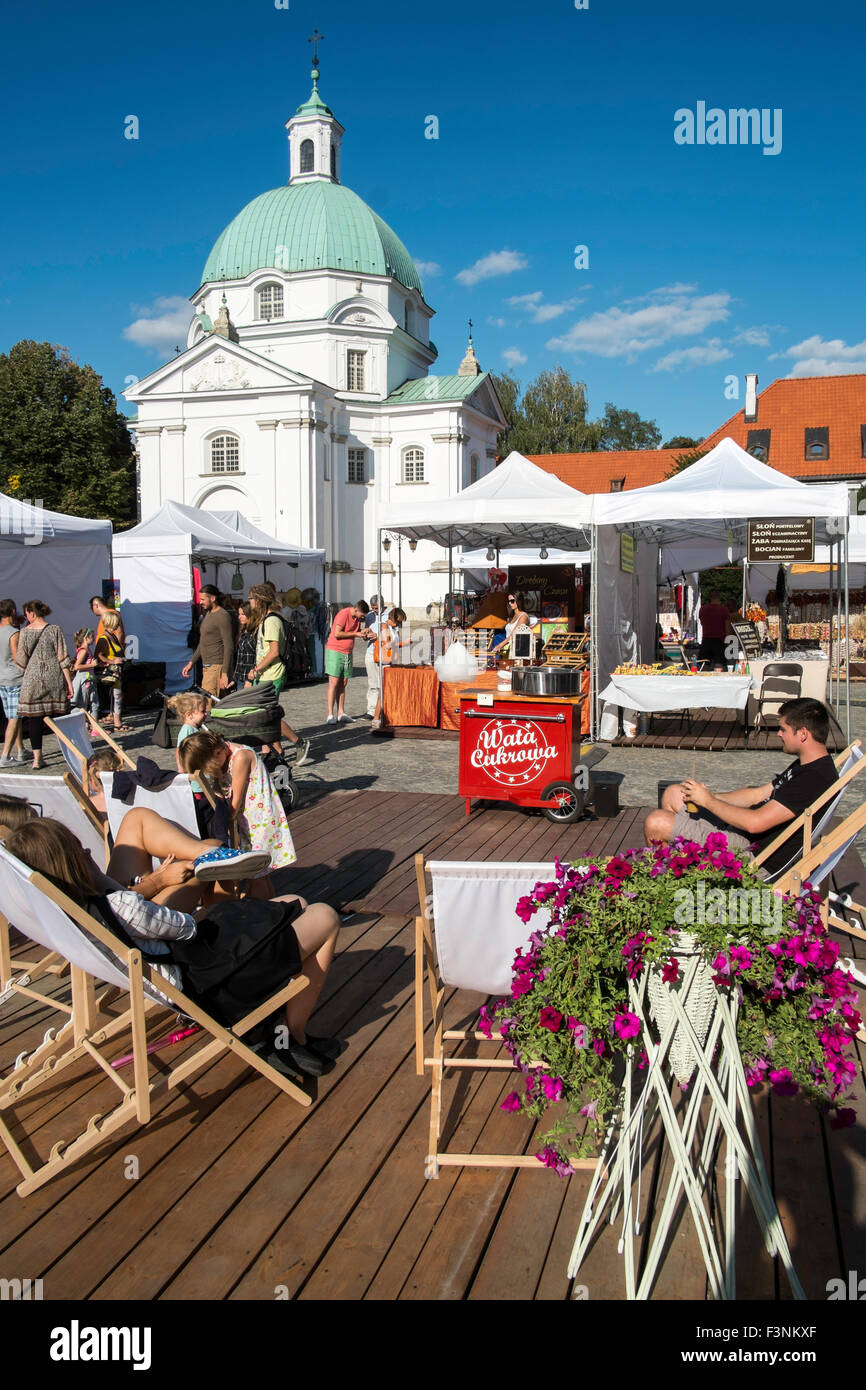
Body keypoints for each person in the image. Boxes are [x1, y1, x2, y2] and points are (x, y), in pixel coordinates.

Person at [5, 817, 341, 1078]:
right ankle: (292, 1035)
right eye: (81, 850)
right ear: (73, 862)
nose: (89, 852)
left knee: (294, 901)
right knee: (325, 916)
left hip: (196, 968)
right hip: (211, 983)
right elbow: (185, 926)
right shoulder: (121, 906)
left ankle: (281, 1022)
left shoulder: (73, 909)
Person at [644, 698, 839, 878]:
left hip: (753, 855)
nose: (778, 734)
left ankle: (664, 885)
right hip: (743, 835)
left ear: (803, 734)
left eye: (783, 729)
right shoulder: (807, 766)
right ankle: (676, 871)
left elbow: (755, 823)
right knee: (673, 793)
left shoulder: (812, 779)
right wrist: (707, 796)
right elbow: (757, 794)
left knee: (656, 823)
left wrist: (708, 802)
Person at [179, 730, 297, 894]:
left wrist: (224, 824)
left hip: (259, 821)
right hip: (249, 821)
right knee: (259, 874)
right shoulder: (224, 756)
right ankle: (271, 907)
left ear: (217, 752)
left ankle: (261, 913)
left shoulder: (241, 757)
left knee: (254, 874)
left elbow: (235, 801)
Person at [246, 585, 311, 766]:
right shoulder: (264, 620)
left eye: (251, 598)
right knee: (263, 715)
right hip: (264, 674)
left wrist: (256, 670)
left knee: (269, 716)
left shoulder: (271, 621)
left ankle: (298, 742)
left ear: (258, 600)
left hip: (271, 674)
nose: (249, 601)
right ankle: (270, 750)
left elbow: (274, 652)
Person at [16, 600, 74, 771]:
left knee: (35, 719)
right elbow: (63, 659)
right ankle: (71, 752)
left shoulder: (24, 633)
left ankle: (37, 758)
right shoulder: (54, 630)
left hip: (33, 681)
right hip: (53, 678)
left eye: (26, 613)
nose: (26, 617)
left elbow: (20, 662)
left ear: (31, 613)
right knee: (59, 717)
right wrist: (69, 683)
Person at [181, 585, 235, 698]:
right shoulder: (209, 614)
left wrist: (224, 673)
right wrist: (191, 662)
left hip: (217, 667)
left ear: (213, 598)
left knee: (209, 704)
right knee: (212, 705)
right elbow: (203, 641)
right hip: (208, 667)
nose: (200, 602)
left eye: (202, 599)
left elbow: (229, 646)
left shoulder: (222, 616)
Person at [325, 599, 369, 723]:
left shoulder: (357, 618)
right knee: (334, 682)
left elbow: (355, 632)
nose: (362, 617)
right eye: (362, 615)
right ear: (356, 609)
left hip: (347, 653)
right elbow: (337, 633)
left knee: (343, 683)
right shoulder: (343, 614)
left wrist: (363, 633)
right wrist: (356, 634)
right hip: (335, 651)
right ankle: (330, 714)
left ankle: (341, 712)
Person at [370, 608, 409, 730]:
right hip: (384, 662)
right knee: (383, 691)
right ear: (393, 619)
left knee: (387, 691)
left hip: (391, 662)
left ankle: (384, 716)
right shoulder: (384, 627)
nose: (399, 625)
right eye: (398, 622)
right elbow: (386, 645)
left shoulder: (393, 629)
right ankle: (376, 718)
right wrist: (403, 643)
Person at [94, 610, 131, 733]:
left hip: (117, 674)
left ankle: (117, 722)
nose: (118, 625)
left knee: (118, 697)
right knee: (112, 697)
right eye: (116, 622)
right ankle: (110, 723)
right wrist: (112, 661)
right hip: (109, 673)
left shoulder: (113, 636)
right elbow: (98, 655)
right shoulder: (103, 638)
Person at [0, 599, 25, 766]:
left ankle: (21, 750)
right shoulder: (13, 632)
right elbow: (18, 658)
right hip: (14, 678)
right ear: (13, 612)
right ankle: (5, 756)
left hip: (2, 678)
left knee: (14, 717)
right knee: (14, 719)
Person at [71, 627, 100, 720]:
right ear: (85, 638)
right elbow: (77, 666)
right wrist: (92, 664)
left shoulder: (87, 650)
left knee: (94, 703)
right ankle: (84, 725)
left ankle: (93, 727)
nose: (94, 639)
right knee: (84, 704)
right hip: (85, 681)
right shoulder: (83, 651)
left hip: (89, 680)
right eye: (92, 637)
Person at [361, 595, 383, 719]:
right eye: (373, 608)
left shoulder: (389, 614)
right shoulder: (369, 616)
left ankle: (383, 709)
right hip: (370, 652)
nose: (375, 610)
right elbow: (366, 634)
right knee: (372, 683)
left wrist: (378, 636)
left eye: (376, 608)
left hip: (385, 653)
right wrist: (365, 634)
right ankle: (371, 710)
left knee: (383, 683)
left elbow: (393, 636)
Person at [697, 590, 731, 670]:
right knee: (719, 666)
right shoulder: (724, 610)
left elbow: (702, 623)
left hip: (706, 639)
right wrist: (728, 642)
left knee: (703, 666)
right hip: (719, 640)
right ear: (719, 597)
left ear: (709, 597)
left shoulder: (703, 609)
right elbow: (727, 628)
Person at [230, 602, 257, 690]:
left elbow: (257, 657)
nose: (239, 617)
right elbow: (240, 659)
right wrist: (235, 678)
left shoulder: (255, 633)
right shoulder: (242, 632)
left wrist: (250, 679)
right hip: (241, 679)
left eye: (243, 614)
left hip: (251, 678)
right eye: (239, 614)